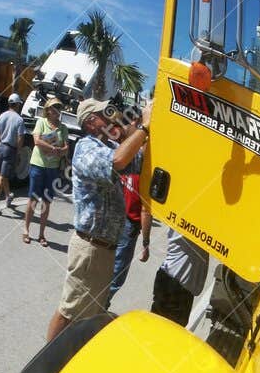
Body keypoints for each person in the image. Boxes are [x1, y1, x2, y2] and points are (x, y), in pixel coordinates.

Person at [47, 97, 150, 341]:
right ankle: (45, 366)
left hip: (104, 249)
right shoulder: (86, 146)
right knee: (69, 311)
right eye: (106, 113)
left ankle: (70, 358)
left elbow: (140, 161)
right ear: (92, 122)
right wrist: (145, 126)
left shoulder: (109, 147)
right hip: (90, 247)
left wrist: (135, 128)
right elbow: (118, 162)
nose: (112, 116)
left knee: (90, 314)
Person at [24, 96, 68, 247]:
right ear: (48, 110)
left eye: (59, 107)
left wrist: (60, 151)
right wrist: (54, 149)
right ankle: (26, 231)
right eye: (54, 107)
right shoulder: (40, 122)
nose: (57, 110)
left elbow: (66, 148)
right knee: (33, 199)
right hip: (38, 165)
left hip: (52, 169)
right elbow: (36, 141)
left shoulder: (63, 128)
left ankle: (42, 235)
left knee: (47, 202)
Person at [107, 152, 151, 303]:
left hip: (113, 218)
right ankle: (99, 306)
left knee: (105, 265)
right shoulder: (146, 177)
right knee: (117, 275)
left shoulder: (124, 167)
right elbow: (145, 211)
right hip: (129, 225)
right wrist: (145, 244)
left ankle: (95, 303)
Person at [151, 229, 209, 327]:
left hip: (175, 282)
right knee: (169, 327)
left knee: (163, 325)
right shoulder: (194, 225)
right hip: (175, 285)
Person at [0, 93, 25, 214]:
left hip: (0, 148)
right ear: (18, 105)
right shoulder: (19, 119)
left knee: (3, 175)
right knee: (2, 177)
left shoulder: (2, 116)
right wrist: (19, 154)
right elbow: (20, 138)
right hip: (10, 150)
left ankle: (8, 196)